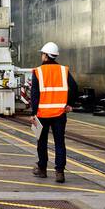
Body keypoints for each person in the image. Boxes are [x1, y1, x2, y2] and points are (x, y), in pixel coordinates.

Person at [30, 42, 78, 183]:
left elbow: (34, 94)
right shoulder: (64, 70)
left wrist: (33, 113)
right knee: (59, 143)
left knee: (42, 142)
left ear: (45, 56)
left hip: (42, 114)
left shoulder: (38, 72)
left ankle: (42, 169)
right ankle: (59, 172)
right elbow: (74, 87)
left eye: (42, 54)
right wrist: (70, 104)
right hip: (59, 114)